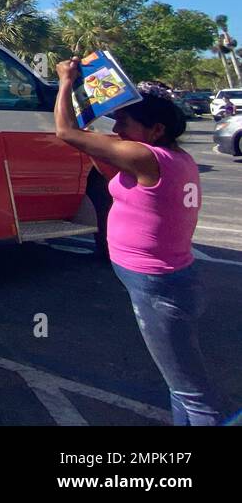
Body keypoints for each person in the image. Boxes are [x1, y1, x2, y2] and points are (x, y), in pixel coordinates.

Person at [53, 60, 221, 426]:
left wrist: (65, 82)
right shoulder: (170, 157)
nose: (116, 130)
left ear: (156, 129)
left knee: (192, 393)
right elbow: (103, 162)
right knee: (178, 385)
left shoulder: (147, 157)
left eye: (125, 123)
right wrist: (88, 105)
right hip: (165, 282)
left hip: (159, 287)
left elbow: (65, 133)